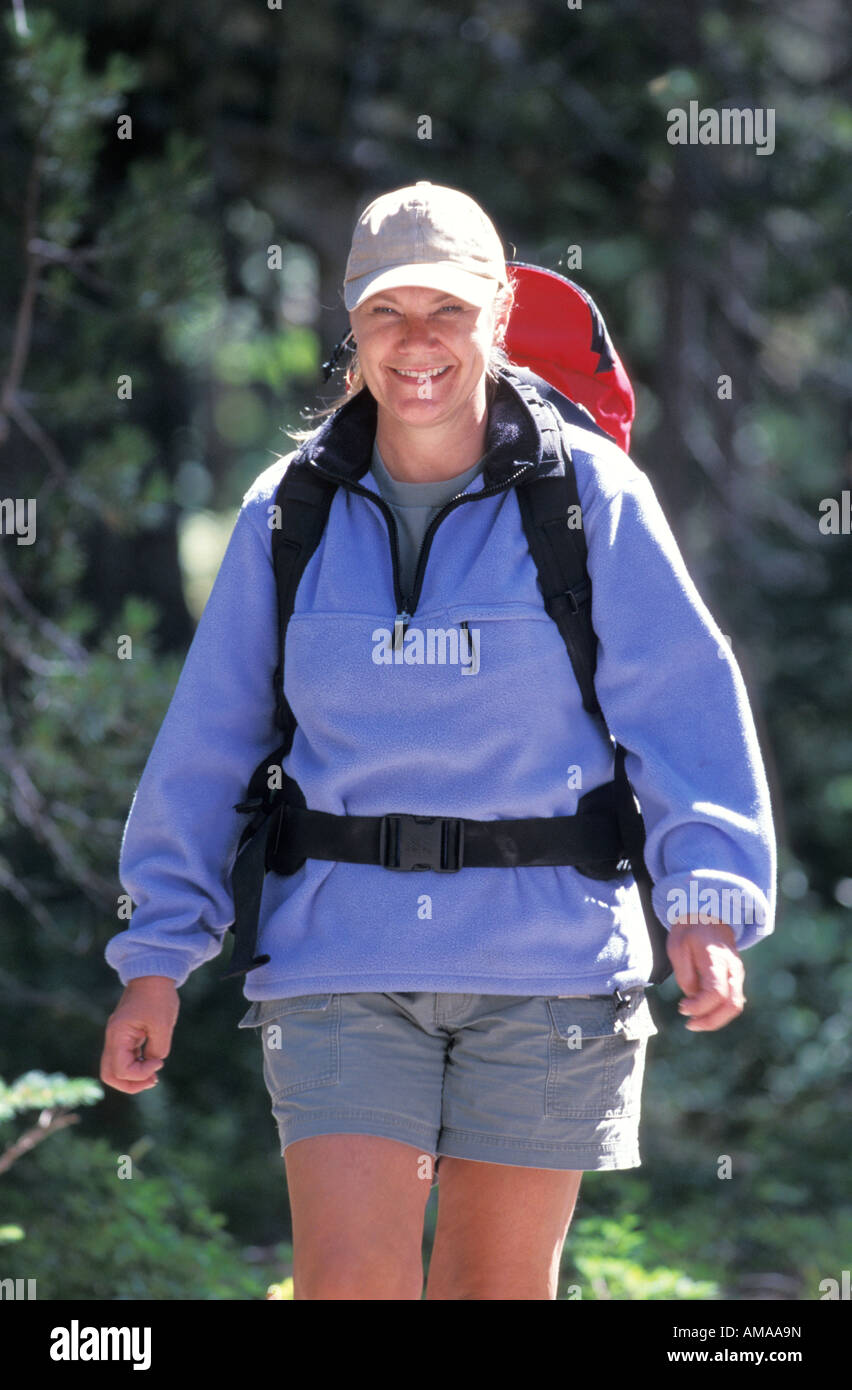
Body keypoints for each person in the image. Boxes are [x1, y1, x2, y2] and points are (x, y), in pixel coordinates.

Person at [100, 181, 776, 1301]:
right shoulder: (290, 510)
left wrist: (705, 901)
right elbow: (207, 746)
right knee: (351, 1285)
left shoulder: (588, 496)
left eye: (448, 311)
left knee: (494, 1291)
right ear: (352, 328)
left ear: (499, 316)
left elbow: (685, 705)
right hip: (340, 962)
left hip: (550, 966)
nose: (417, 344)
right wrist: (156, 956)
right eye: (385, 313)